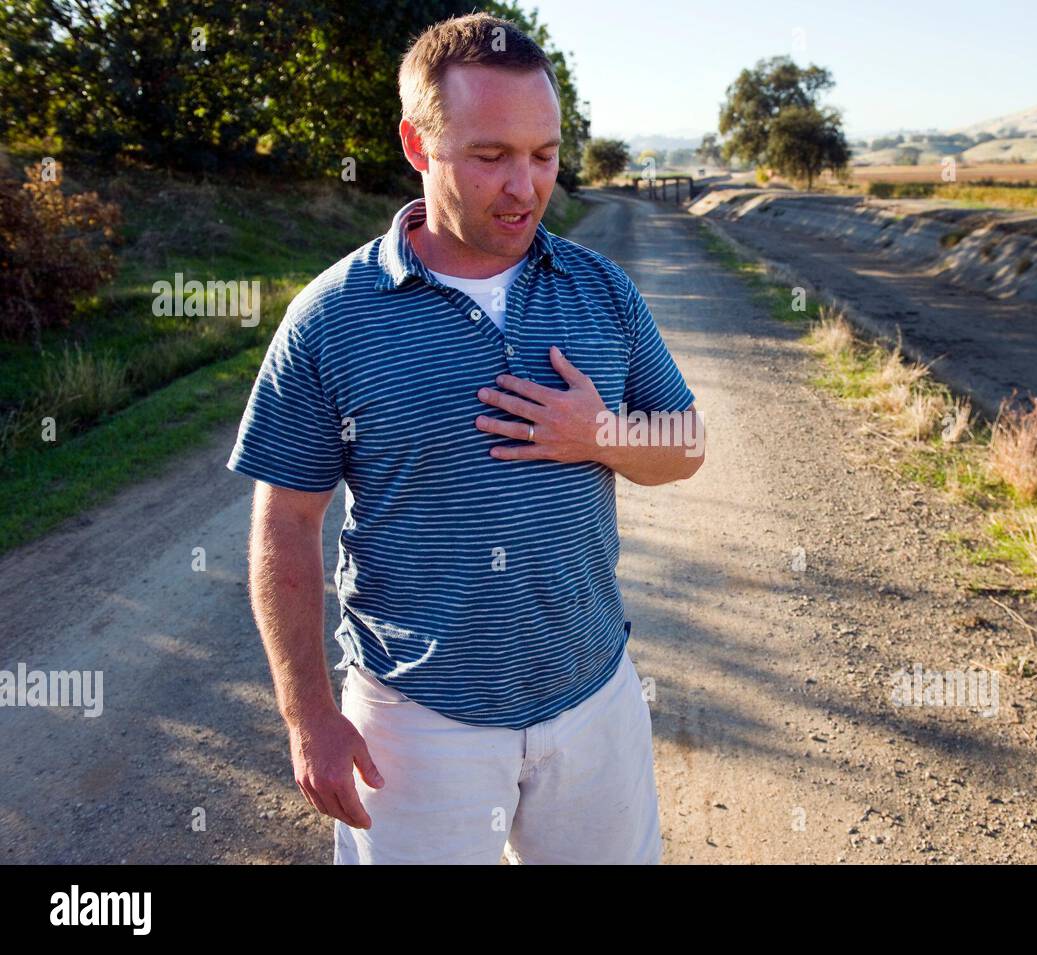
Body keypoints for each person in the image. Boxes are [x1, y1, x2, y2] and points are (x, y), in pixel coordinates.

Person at [226, 12, 705, 864]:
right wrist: (308, 718)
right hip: (415, 727)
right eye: (491, 156)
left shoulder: (601, 290)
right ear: (418, 143)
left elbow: (685, 443)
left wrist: (599, 432)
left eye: (545, 155)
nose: (525, 187)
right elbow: (285, 523)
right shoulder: (332, 319)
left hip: (594, 698)